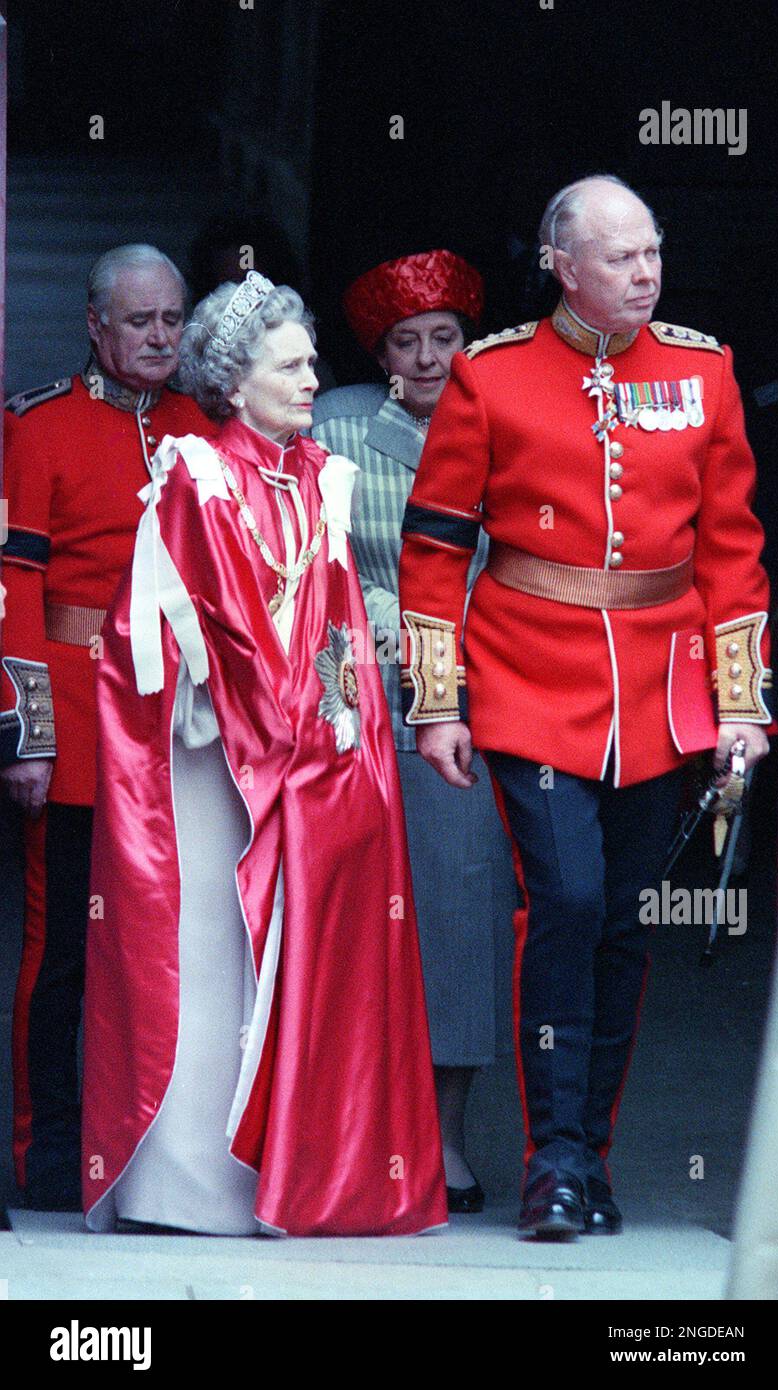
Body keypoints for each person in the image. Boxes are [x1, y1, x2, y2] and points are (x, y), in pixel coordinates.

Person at [398, 176, 772, 1239]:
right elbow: (435, 548)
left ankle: (589, 1158)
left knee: (618, 926)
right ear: (565, 266)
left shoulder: (704, 370)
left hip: (662, 694)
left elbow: (736, 555)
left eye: (654, 253)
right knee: (563, 901)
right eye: (622, 257)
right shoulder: (493, 372)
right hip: (526, 681)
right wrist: (438, 703)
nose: (647, 273)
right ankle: (552, 1163)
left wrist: (740, 706)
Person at [81, 272, 447, 1237]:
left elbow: (336, 638)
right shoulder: (199, 477)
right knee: (208, 961)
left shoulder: (319, 474)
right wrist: (284, 737)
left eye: (312, 361)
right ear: (233, 383)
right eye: (290, 366)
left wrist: (345, 742)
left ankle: (275, 1181)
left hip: (294, 757)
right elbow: (218, 629)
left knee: (277, 967)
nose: (310, 378)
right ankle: (184, 1193)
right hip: (213, 765)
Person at [0, 244, 212, 1211]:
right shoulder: (38, 426)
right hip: (83, 728)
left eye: (173, 319)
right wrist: (28, 734)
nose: (161, 337)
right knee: (66, 955)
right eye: (140, 322)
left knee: (176, 949)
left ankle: (155, 1154)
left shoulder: (202, 425)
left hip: (181, 729)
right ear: (95, 324)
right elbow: (16, 591)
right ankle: (46, 1157)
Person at [312, 250, 517, 1212]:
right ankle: (336, 1129)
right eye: (407, 341)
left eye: (446, 338)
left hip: (469, 703)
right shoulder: (334, 422)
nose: (429, 359)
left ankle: (447, 1139)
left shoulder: (514, 415)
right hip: (347, 698)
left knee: (457, 917)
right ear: (377, 348)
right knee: (339, 920)